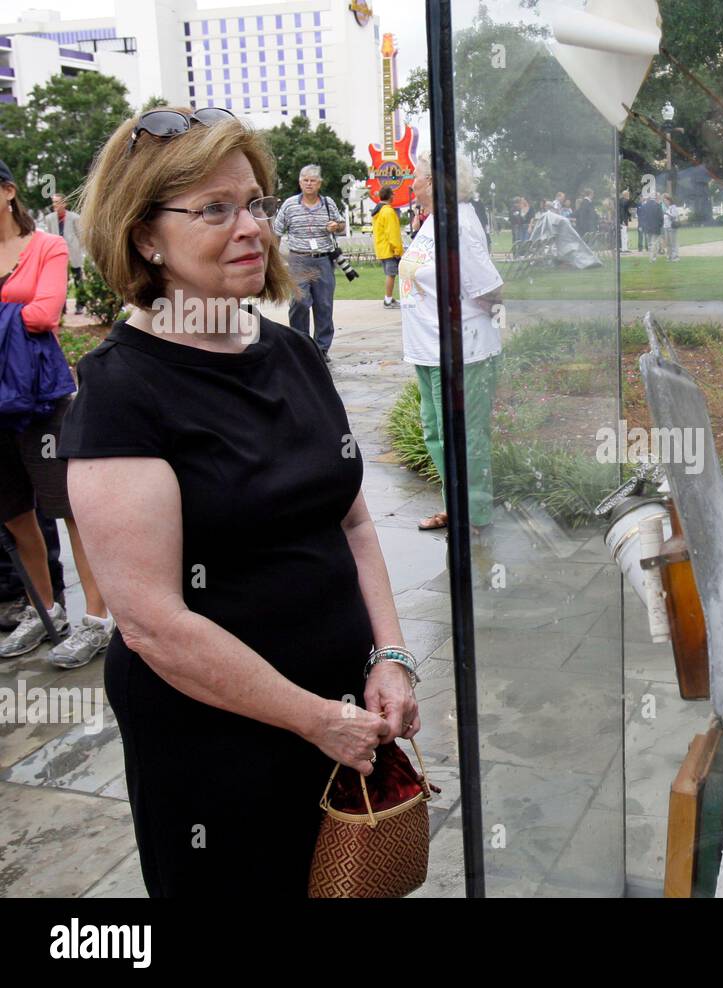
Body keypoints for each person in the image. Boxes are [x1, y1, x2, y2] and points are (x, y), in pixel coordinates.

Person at [65, 106, 418, 897]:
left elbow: (354, 522)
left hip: (339, 714)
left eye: (255, 202)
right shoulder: (122, 391)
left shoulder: (291, 352)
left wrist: (391, 658)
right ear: (144, 233)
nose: (253, 226)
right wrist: (311, 717)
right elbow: (155, 622)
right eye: (215, 209)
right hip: (216, 740)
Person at [0, 158, 112, 668]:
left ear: (8, 192)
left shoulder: (48, 245)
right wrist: (12, 311)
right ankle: (44, 610)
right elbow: (26, 312)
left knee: (70, 510)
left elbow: (45, 313)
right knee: (14, 513)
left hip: (41, 398)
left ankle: (97, 619)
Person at [400, 153, 503, 534]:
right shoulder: (434, 221)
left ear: (433, 181)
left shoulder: (459, 222)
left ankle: (474, 517)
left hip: (463, 353)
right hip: (428, 350)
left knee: (464, 435)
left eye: (416, 176)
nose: (411, 182)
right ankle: (455, 505)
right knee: (436, 433)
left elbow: (491, 289)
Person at [271, 164, 346, 361]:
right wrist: (273, 258)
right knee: (300, 303)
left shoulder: (328, 203)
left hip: (323, 259)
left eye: (313, 180)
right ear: (300, 182)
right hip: (299, 259)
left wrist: (336, 226)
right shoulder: (289, 205)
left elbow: (341, 226)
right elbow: (277, 232)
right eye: (305, 180)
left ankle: (321, 349)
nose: (309, 184)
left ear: (319, 183)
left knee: (324, 305)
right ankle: (300, 345)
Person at [40, 193, 86, 315]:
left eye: (57, 202)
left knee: (78, 280)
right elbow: (47, 236)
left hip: (73, 254)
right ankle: (62, 307)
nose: (54, 204)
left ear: (64, 203)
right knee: (60, 282)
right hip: (57, 255)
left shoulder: (75, 217)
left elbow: (81, 236)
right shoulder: (49, 218)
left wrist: (79, 251)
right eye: (53, 202)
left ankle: (80, 305)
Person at [370, 185, 403, 309]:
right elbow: (392, 232)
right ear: (390, 196)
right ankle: (388, 300)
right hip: (390, 249)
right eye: (393, 194)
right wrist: (397, 249)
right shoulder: (388, 211)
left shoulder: (377, 211)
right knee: (391, 274)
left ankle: (389, 298)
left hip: (382, 248)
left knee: (390, 274)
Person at [638, 192, 664, 262]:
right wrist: (660, 225)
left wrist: (642, 226)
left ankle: (651, 257)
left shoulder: (644, 206)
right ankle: (653, 257)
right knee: (654, 243)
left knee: (650, 243)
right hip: (656, 228)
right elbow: (661, 218)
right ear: (654, 198)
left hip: (647, 228)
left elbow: (642, 218)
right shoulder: (658, 206)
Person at [662, 193, 681, 262]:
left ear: (669, 200)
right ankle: (669, 256)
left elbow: (674, 216)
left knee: (673, 243)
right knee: (668, 243)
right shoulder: (666, 208)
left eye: (665, 200)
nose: (665, 202)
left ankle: (675, 257)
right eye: (664, 201)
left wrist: (667, 214)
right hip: (666, 227)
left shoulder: (673, 207)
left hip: (672, 227)